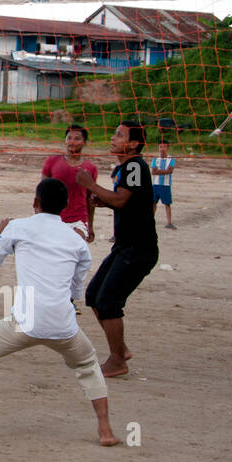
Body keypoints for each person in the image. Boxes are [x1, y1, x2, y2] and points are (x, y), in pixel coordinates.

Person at [0, 178, 120, 446]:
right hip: (64, 325)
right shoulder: (77, 241)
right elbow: (76, 290)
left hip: (24, 322)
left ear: (35, 202)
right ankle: (106, 431)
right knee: (87, 365)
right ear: (65, 206)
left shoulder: (19, 227)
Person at [76, 120, 159, 378]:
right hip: (124, 247)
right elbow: (127, 202)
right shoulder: (126, 167)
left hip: (138, 249)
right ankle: (120, 349)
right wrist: (105, 201)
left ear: (133, 144)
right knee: (93, 295)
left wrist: (90, 185)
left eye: (119, 134)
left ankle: (117, 360)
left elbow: (122, 199)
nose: (113, 138)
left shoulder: (134, 165)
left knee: (108, 302)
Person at [41, 125, 98, 242]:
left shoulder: (90, 168)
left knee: (75, 246)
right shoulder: (51, 161)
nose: (72, 142)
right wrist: (40, 219)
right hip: (53, 218)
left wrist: (90, 226)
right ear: (65, 141)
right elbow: (41, 192)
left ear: (84, 143)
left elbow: (90, 199)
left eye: (77, 138)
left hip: (78, 220)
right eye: (69, 138)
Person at [151, 139, 176, 229]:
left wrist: (159, 171)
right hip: (155, 185)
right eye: (160, 147)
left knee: (167, 204)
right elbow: (153, 172)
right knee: (153, 203)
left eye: (164, 147)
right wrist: (165, 171)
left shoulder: (171, 159)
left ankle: (169, 222)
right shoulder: (155, 158)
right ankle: (151, 221)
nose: (162, 149)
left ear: (167, 148)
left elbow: (170, 171)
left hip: (166, 185)